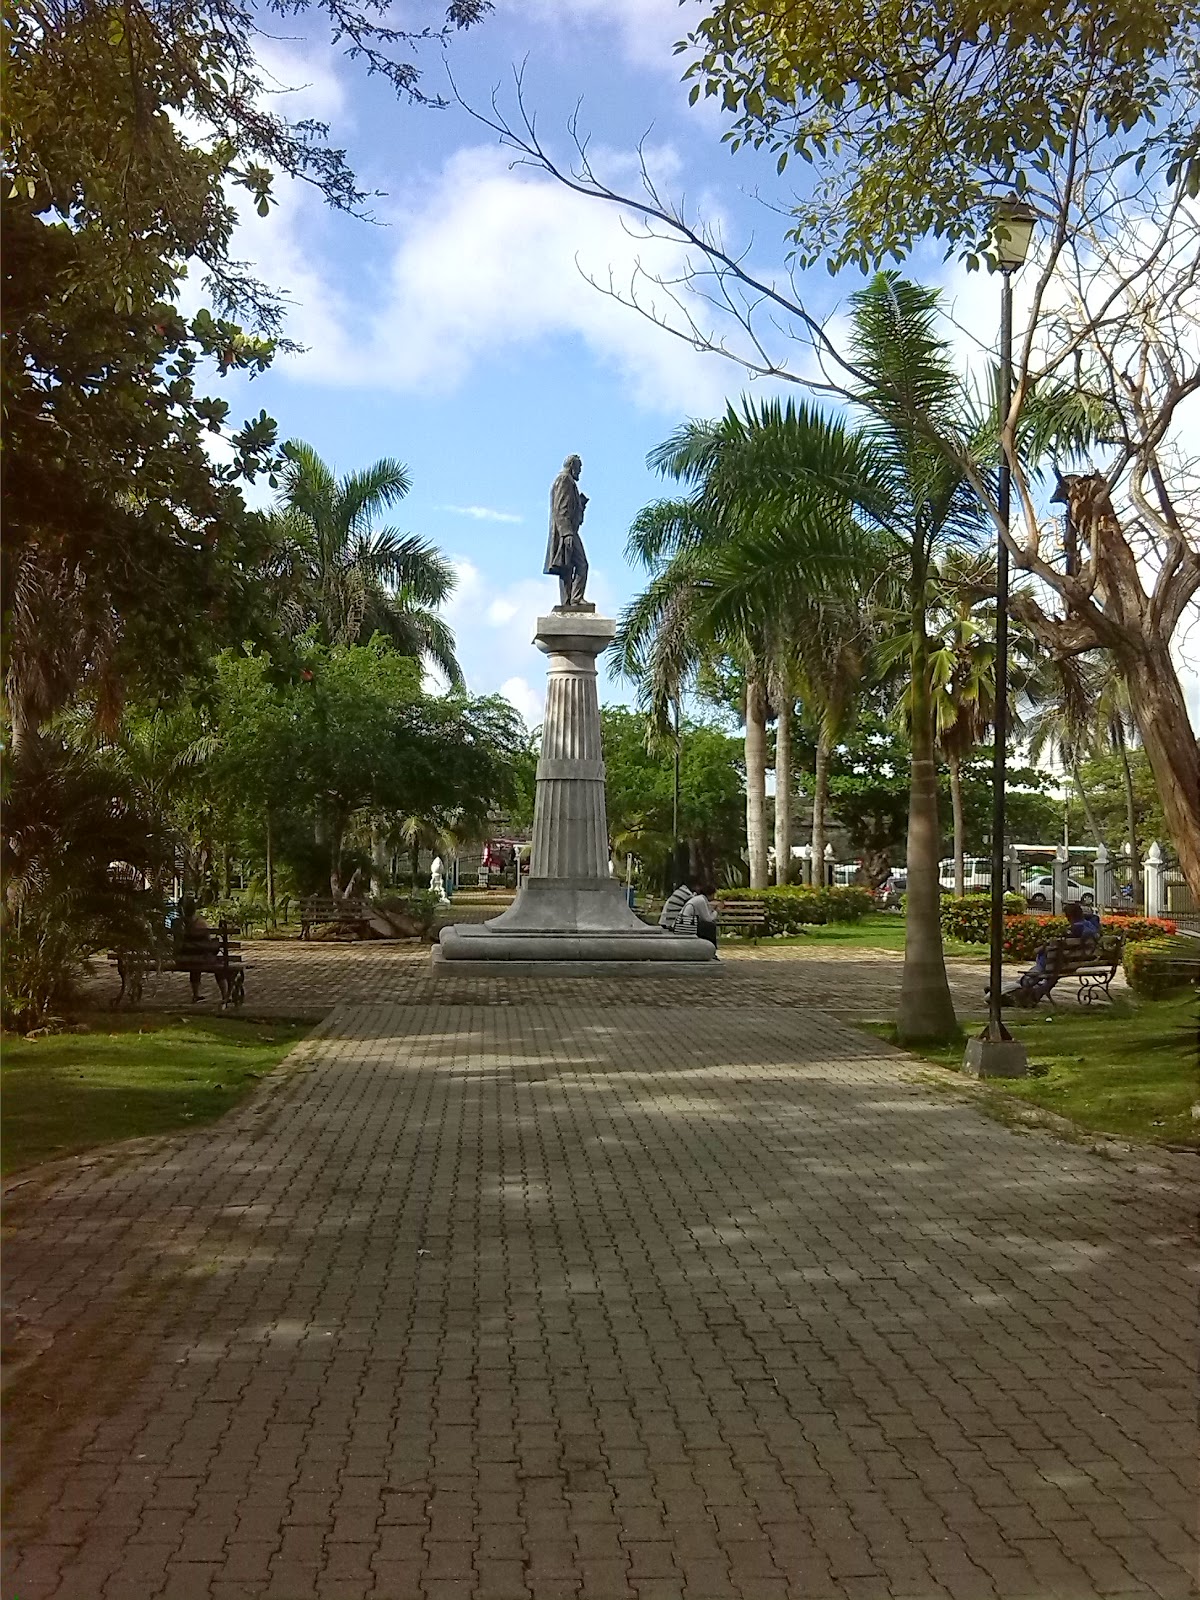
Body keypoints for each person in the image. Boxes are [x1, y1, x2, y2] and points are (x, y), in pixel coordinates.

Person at [998, 899, 1101, 1007]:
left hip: (1054, 964)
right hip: (1071, 963)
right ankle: (1014, 992)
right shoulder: (1091, 927)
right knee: (1044, 977)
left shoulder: (1075, 930)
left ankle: (1004, 991)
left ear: (1069, 916)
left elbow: (1055, 946)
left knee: (1027, 979)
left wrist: (1041, 948)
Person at [544, 453, 589, 608]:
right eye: (579, 467)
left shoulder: (567, 481)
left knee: (567, 565)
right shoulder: (565, 480)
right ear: (572, 466)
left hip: (567, 530)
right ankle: (576, 598)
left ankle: (568, 601)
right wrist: (566, 533)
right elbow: (561, 508)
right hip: (567, 531)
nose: (580, 471)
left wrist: (580, 505)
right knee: (581, 564)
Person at [173, 897, 230, 1005]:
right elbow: (207, 944)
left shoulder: (176, 924)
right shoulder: (201, 924)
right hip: (201, 960)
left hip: (183, 960)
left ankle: (196, 994)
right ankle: (224, 994)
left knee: (194, 960)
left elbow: (176, 944)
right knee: (217, 965)